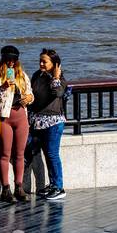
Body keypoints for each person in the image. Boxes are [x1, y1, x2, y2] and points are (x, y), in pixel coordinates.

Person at [0, 45, 34, 203]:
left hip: (21, 116)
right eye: (8, 60)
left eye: (14, 60)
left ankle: (19, 187)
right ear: (3, 60)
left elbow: (31, 94)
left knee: (20, 154)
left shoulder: (22, 75)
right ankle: (5, 189)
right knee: (5, 154)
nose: (11, 63)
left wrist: (29, 98)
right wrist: (3, 86)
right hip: (5, 118)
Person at [27, 49, 68, 201]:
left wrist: (56, 77)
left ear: (55, 64)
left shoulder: (60, 79)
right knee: (43, 153)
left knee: (52, 154)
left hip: (53, 122)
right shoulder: (37, 75)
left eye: (45, 61)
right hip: (38, 122)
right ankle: (52, 185)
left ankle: (59, 187)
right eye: (40, 61)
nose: (41, 64)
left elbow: (57, 93)